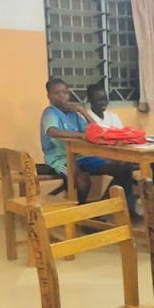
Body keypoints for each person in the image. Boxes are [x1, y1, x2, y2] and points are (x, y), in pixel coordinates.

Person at [40, 77, 137, 211]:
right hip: (60, 159)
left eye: (65, 92)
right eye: (57, 93)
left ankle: (101, 209)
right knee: (82, 180)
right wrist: (80, 135)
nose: (62, 96)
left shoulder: (74, 114)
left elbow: (96, 130)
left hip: (81, 157)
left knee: (122, 169)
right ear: (49, 96)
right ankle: (81, 213)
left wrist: (82, 111)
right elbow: (53, 131)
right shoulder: (50, 112)